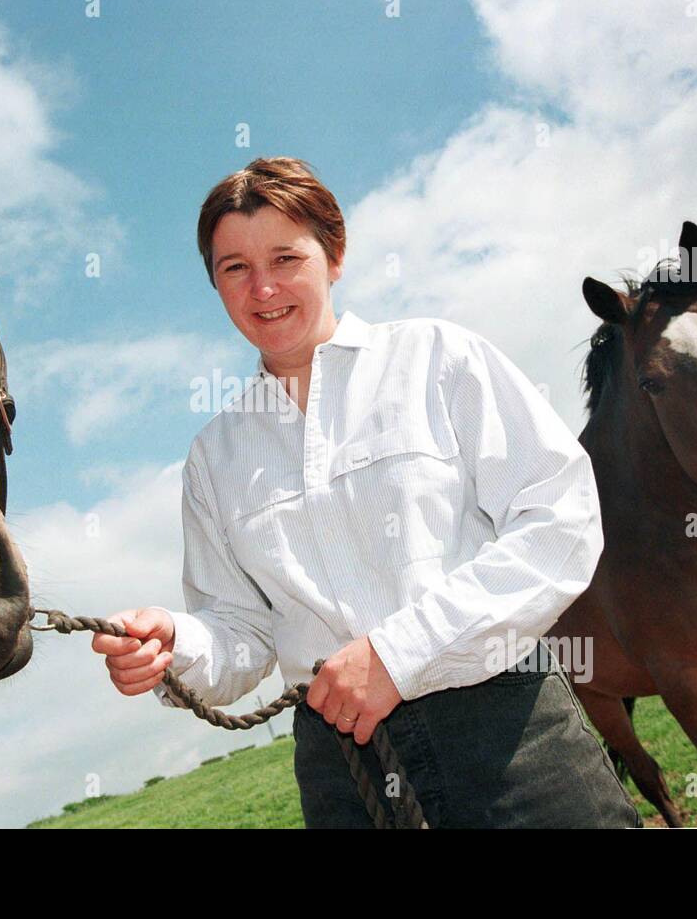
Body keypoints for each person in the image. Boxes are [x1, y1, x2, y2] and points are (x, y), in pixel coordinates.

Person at [91, 157, 641, 828]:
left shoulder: (438, 358)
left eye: (285, 258)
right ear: (216, 284)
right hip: (344, 773)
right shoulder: (213, 457)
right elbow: (243, 634)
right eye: (234, 268)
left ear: (336, 255)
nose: (263, 288)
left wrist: (396, 654)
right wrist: (172, 645)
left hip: (508, 734)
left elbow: (562, 520)